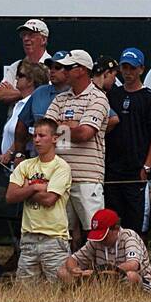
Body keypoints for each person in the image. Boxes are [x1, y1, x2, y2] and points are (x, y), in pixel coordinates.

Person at [43, 50, 109, 243]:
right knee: (64, 232)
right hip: (60, 175)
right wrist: (71, 126)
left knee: (95, 230)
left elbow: (85, 133)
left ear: (81, 70)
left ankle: (99, 271)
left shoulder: (98, 98)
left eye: (67, 67)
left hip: (88, 176)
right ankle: (68, 270)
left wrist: (60, 127)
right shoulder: (60, 98)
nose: (62, 70)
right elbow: (46, 131)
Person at [6, 118, 72, 284]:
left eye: (42, 135)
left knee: (60, 289)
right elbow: (10, 196)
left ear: (55, 138)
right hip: (28, 237)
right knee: (26, 293)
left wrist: (25, 188)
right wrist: (35, 188)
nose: (36, 139)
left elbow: (50, 199)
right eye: (34, 135)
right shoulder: (25, 165)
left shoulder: (61, 167)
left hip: (54, 238)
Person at [104, 47, 151, 232]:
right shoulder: (113, 95)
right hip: (112, 168)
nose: (128, 72)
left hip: (136, 170)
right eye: (125, 67)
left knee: (134, 222)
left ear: (141, 69)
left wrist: (147, 166)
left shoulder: (149, 98)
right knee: (111, 219)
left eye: (132, 68)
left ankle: (136, 257)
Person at [59, 208, 151, 291]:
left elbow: (133, 265)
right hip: (105, 280)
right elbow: (72, 259)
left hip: (142, 283)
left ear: (116, 229)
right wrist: (74, 270)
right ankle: (81, 295)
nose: (101, 240)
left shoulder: (129, 237)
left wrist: (99, 272)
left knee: (131, 276)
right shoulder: (96, 240)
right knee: (63, 271)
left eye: (104, 236)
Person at [0, 18, 50, 104]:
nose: (26, 38)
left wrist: (15, 92)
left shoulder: (53, 66)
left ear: (43, 40)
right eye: (24, 35)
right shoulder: (16, 66)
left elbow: (50, 93)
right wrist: (29, 92)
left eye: (31, 35)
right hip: (15, 116)